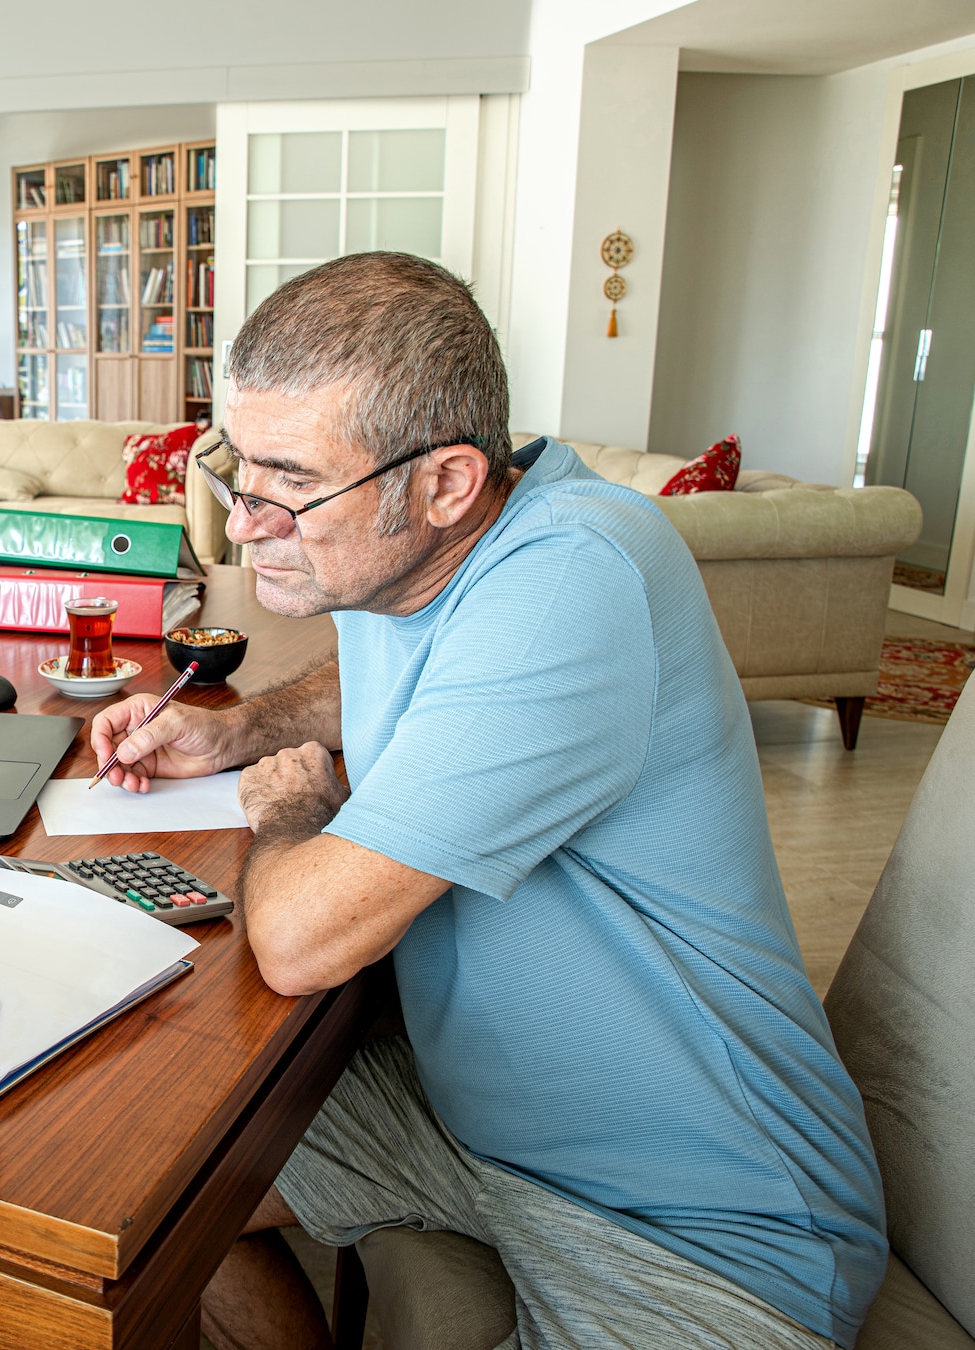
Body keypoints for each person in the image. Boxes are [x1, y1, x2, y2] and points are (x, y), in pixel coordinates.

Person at [91, 254, 886, 1350]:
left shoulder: (574, 573)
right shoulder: (399, 551)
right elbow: (398, 667)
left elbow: (299, 940)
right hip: (484, 1129)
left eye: (287, 487)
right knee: (140, 1175)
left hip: (702, 1227)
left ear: (448, 482)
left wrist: (287, 810)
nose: (241, 527)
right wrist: (244, 728)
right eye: (240, 472)